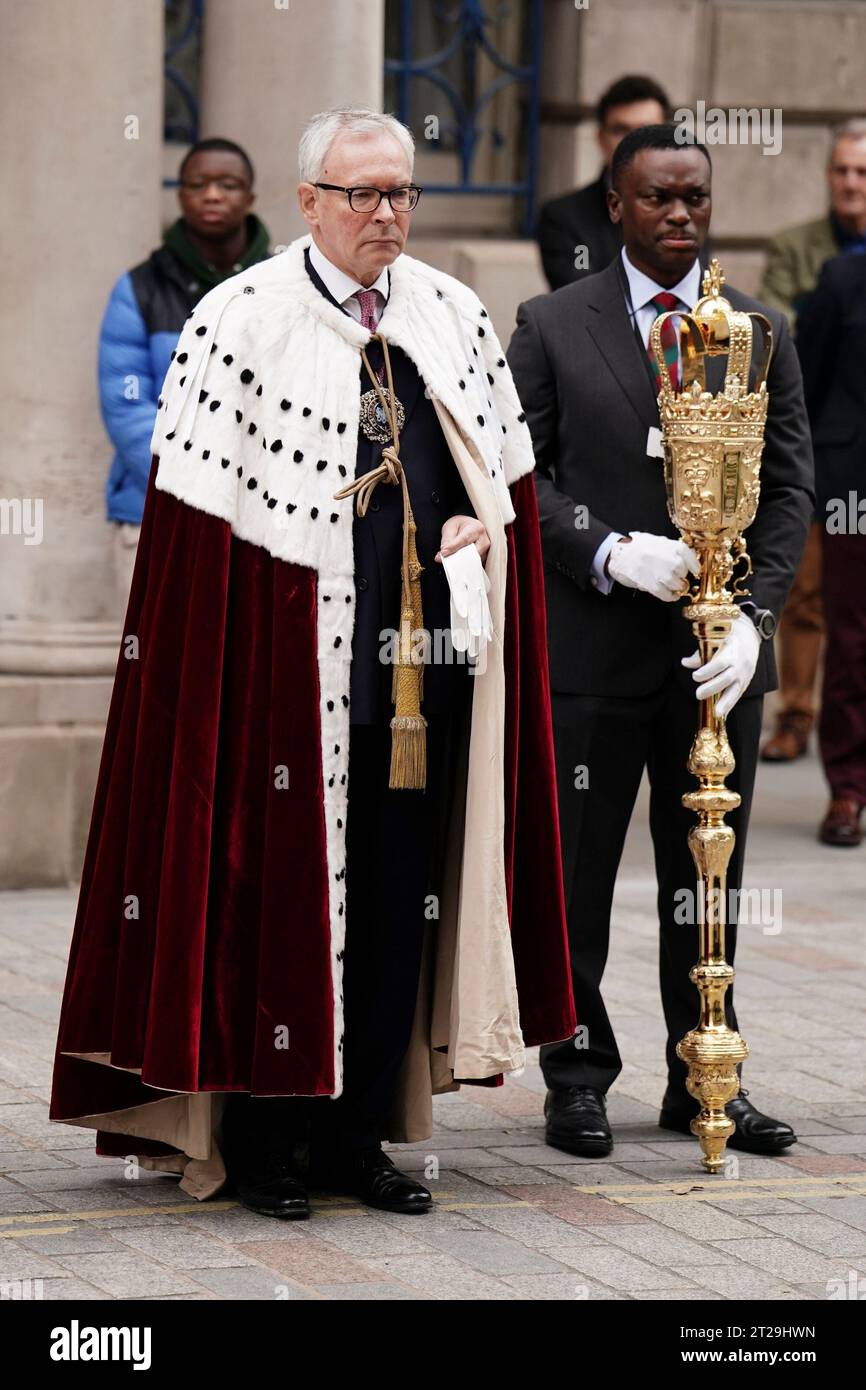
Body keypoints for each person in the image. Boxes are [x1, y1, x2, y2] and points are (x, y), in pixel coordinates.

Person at [49, 108, 576, 1220]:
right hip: (281, 677)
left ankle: (356, 1135)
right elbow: (196, 545)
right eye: (361, 195)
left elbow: (503, 483)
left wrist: (480, 532)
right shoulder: (237, 320)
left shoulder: (451, 314)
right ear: (307, 203)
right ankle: (268, 1141)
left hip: (425, 674)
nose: (385, 214)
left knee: (397, 897)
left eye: (400, 194)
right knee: (273, 900)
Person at [508, 124, 814, 1159]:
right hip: (592, 648)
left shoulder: (755, 327)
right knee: (578, 878)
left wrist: (756, 619)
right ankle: (578, 1075)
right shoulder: (551, 325)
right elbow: (520, 479)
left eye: (693, 197)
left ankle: (706, 1071)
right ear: (614, 205)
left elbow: (786, 490)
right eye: (656, 199)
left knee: (705, 879)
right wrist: (604, 550)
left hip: (710, 662)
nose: (678, 215)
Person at [99, 137, 271, 604]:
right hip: (156, 512)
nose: (213, 195)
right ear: (180, 196)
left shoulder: (282, 286)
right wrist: (197, 487)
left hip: (265, 517)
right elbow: (126, 407)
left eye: (228, 184)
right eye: (198, 184)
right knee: (151, 670)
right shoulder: (140, 288)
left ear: (250, 198)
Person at [758, 119, 866, 763]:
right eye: (842, 171)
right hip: (826, 448)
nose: (851, 183)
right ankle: (796, 714)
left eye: (863, 172)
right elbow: (781, 330)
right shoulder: (801, 246)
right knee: (804, 593)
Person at [796, 253, 866, 846]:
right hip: (855, 489)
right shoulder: (843, 278)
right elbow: (808, 380)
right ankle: (847, 787)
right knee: (852, 638)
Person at [536, 74, 670, 290]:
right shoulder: (565, 219)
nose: (632, 141)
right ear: (600, 137)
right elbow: (581, 296)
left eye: (646, 130)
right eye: (620, 130)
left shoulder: (686, 212)